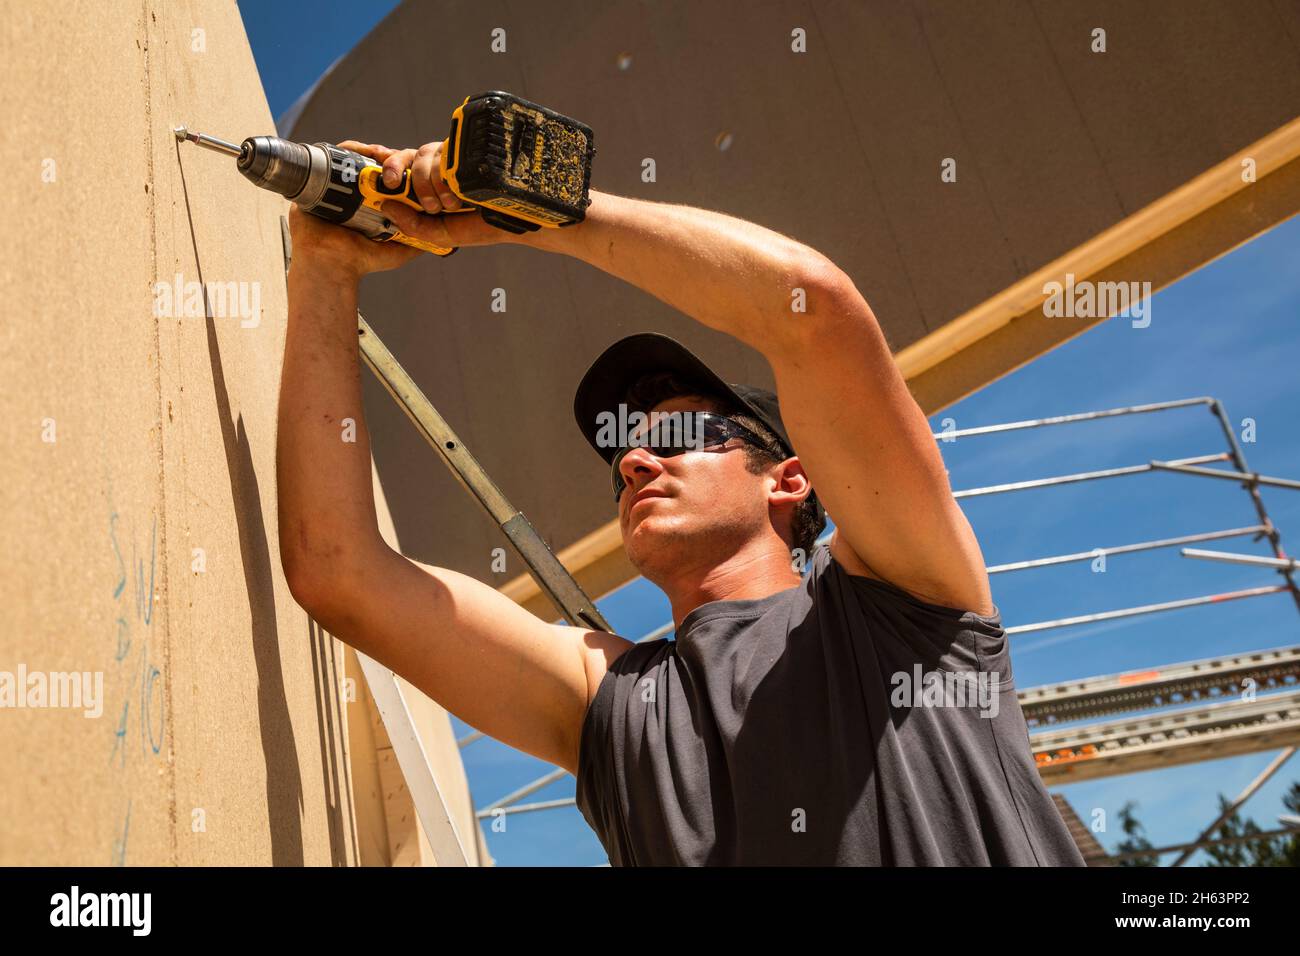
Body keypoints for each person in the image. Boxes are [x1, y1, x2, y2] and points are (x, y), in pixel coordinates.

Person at [277, 138, 1085, 866]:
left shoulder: (905, 614)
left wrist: (537, 205)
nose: (633, 459)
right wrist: (324, 267)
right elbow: (337, 571)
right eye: (623, 456)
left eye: (680, 435)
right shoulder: (610, 703)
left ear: (789, 480)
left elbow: (813, 309)